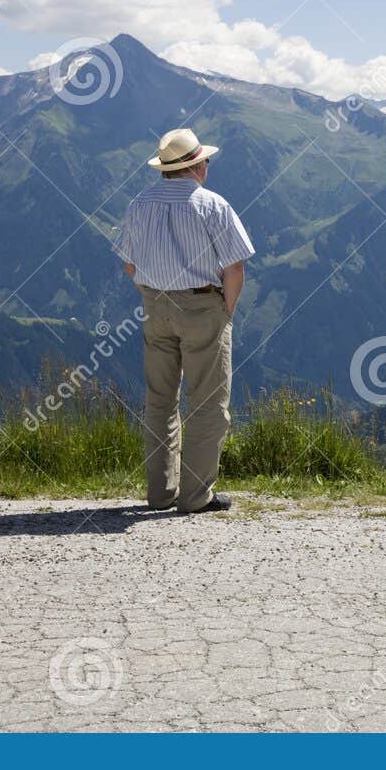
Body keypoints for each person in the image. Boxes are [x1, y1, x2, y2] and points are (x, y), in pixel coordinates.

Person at [114, 127, 253, 513]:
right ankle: (195, 497)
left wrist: (152, 291)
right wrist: (226, 309)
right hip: (202, 307)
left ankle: (160, 493)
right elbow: (235, 267)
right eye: (204, 161)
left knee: (160, 400)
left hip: (155, 306)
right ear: (197, 166)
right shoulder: (212, 205)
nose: (207, 165)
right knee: (208, 402)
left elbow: (128, 262)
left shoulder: (139, 204)